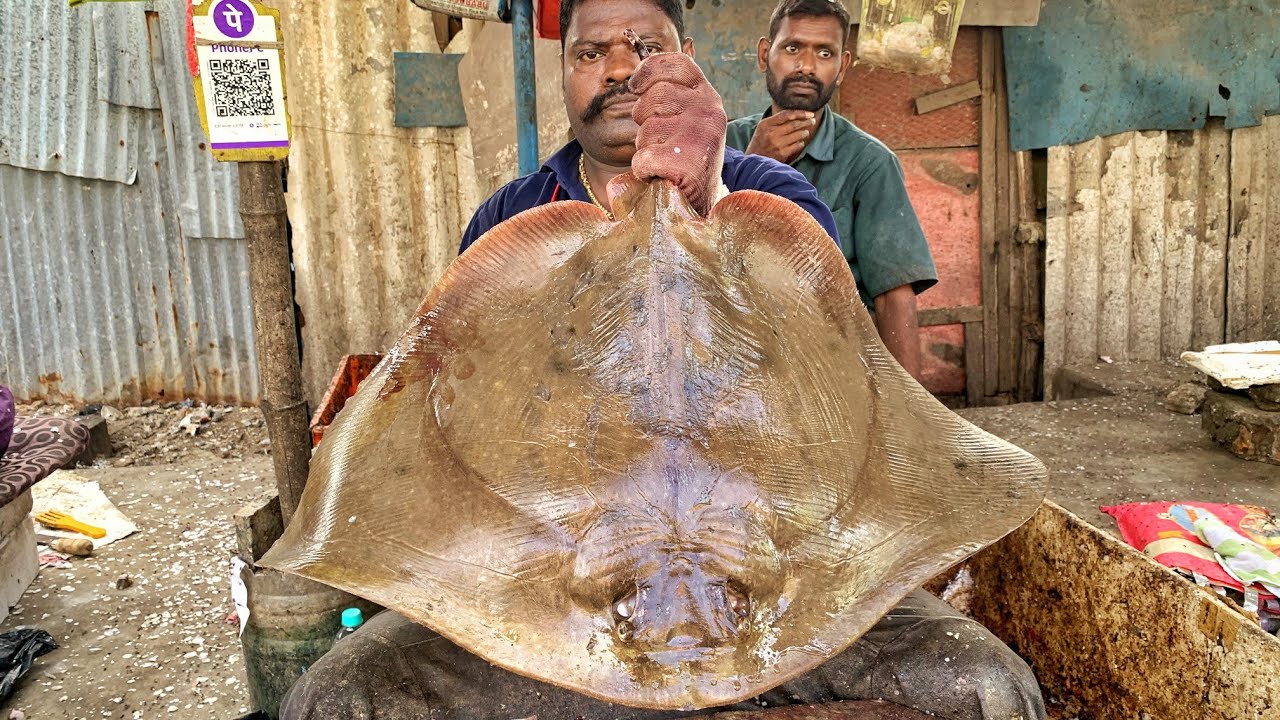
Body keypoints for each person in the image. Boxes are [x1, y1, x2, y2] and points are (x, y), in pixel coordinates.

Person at [279, 0, 1044, 718]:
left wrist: (705, 185)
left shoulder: (770, 189)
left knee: (985, 685)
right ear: (566, 71)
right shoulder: (510, 218)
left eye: (644, 48)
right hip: (563, 590)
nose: (618, 69)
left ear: (686, 58)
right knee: (339, 694)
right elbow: (456, 405)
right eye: (591, 52)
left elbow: (827, 338)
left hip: (778, 584)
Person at [726, 0, 938, 380]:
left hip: (834, 365)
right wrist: (752, 165)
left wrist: (909, 410)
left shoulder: (869, 162)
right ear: (764, 55)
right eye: (792, 48)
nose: (806, 66)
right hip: (734, 358)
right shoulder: (720, 145)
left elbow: (894, 298)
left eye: (824, 53)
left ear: (842, 67)